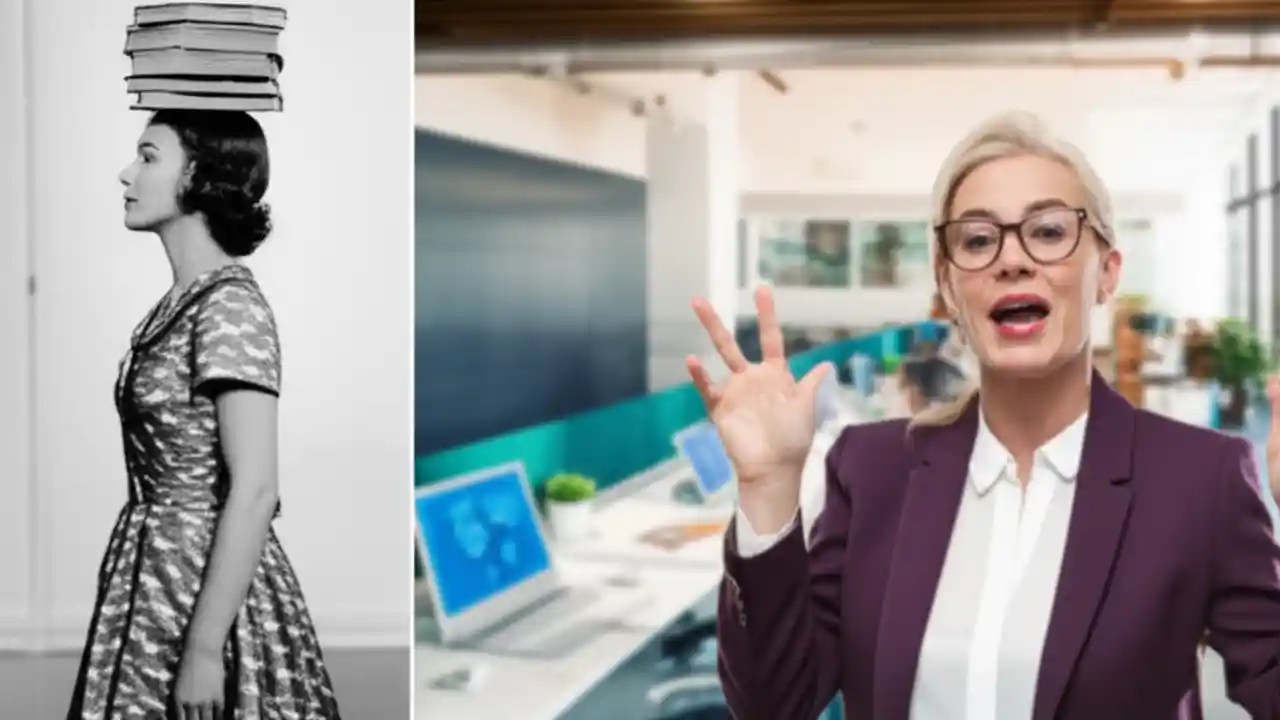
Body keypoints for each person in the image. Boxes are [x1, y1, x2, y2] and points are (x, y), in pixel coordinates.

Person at [687, 110, 1280, 719]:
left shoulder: (1199, 480)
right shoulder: (871, 469)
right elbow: (775, 704)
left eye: (1048, 231)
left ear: (1106, 273)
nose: (1011, 259)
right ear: (947, 286)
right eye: (976, 240)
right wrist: (767, 487)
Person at [66, 110, 341, 719]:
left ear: (199, 175)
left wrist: (204, 647)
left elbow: (257, 488)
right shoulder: (179, 304)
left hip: (201, 584)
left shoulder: (229, 307)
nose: (126, 173)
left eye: (148, 157)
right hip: (150, 575)